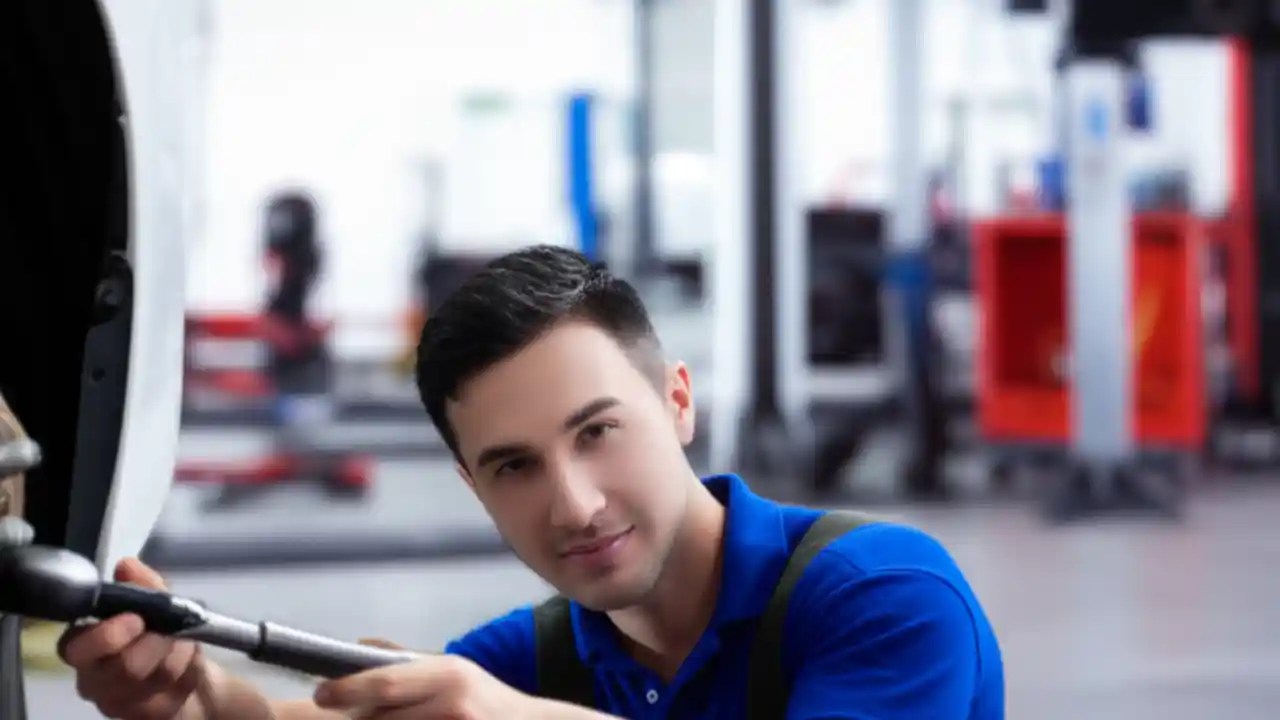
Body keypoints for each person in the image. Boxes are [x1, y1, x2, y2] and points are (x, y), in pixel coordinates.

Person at [59, 245, 1004, 719]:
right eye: (514, 466)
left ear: (678, 401)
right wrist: (197, 697)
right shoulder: (533, 659)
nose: (575, 504)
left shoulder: (882, 594)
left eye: (598, 432)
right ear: (472, 485)